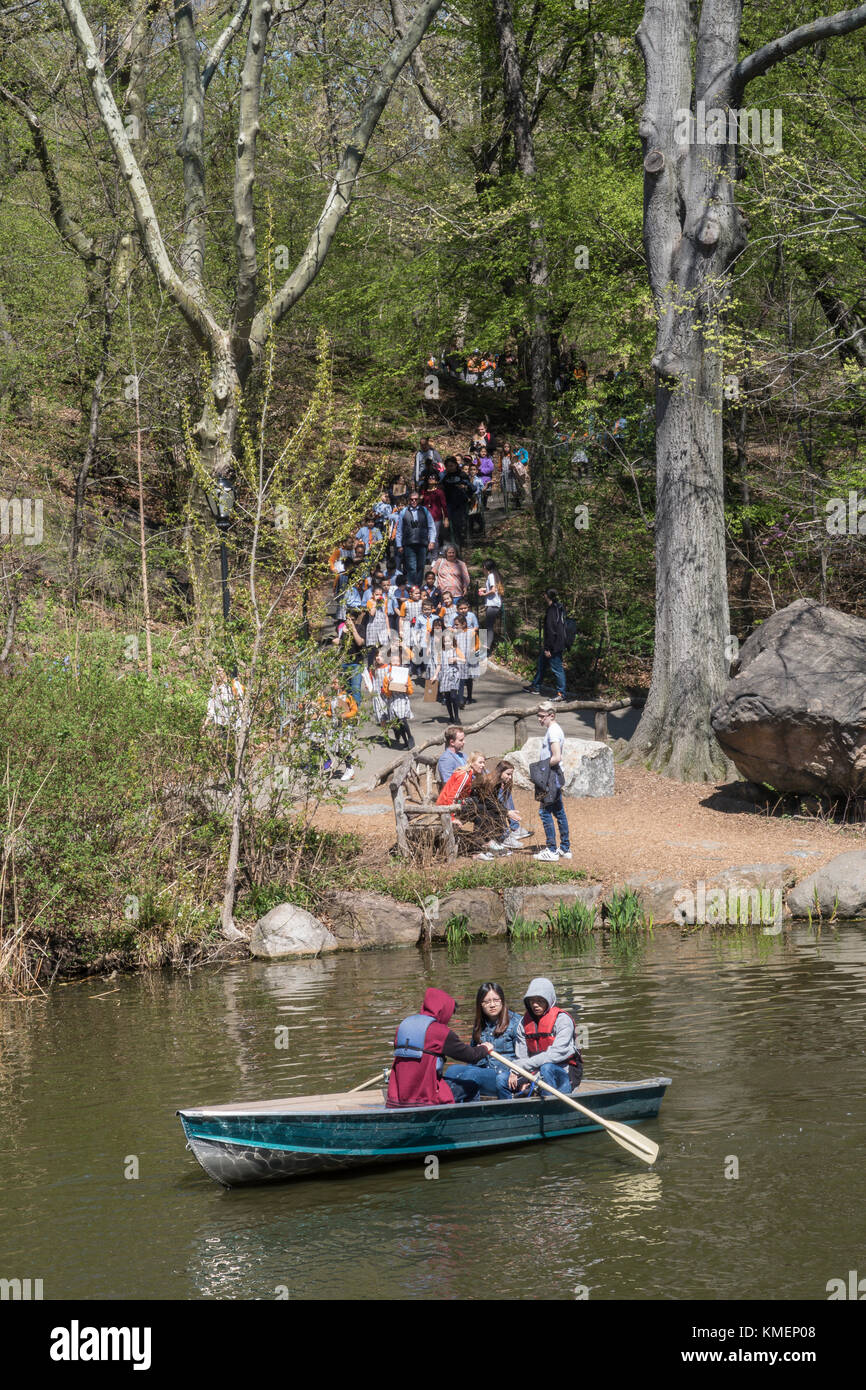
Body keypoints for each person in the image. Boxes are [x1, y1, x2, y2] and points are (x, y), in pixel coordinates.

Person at [386, 988, 492, 1108]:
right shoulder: (440, 1032)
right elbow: (471, 1056)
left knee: (451, 1078)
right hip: (426, 1095)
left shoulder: (403, 1026)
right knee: (472, 1086)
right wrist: (484, 1048)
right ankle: (466, 1123)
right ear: (443, 1010)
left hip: (398, 1096)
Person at [443, 983, 521, 1102]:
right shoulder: (480, 1023)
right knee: (452, 1071)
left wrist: (517, 1073)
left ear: (502, 1001)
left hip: (504, 1075)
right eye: (487, 1002)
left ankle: (446, 1105)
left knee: (472, 1076)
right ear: (481, 1004)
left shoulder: (516, 1023)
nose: (492, 1005)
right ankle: (451, 1104)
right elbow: (473, 1055)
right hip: (483, 1070)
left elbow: (525, 1054)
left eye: (496, 1000)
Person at [507, 977, 583, 1097]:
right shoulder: (523, 1023)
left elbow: (555, 1054)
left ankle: (549, 1105)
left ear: (549, 1000)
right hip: (535, 1071)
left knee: (547, 1068)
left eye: (540, 1000)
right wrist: (520, 1073)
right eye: (532, 1001)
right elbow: (522, 1056)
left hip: (565, 1071)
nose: (535, 1005)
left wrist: (522, 1067)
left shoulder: (562, 1020)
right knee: (501, 1080)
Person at [533, 700, 571, 861]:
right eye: (538, 716)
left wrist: (540, 767)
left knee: (544, 812)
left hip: (550, 776)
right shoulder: (553, 730)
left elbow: (556, 757)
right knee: (559, 811)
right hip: (554, 776)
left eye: (542, 716)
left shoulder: (553, 732)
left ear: (551, 715)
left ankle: (552, 849)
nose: (539, 719)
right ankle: (565, 848)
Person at [528, 588, 566, 698]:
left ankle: (561, 693)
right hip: (556, 643)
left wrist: (548, 648)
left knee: (557, 669)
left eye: (544, 594)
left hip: (554, 645)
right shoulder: (558, 607)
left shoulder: (552, 611)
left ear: (546, 596)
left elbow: (551, 630)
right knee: (542, 664)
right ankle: (535, 686)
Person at [395, 489, 436, 588]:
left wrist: (432, 541)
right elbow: (399, 529)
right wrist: (399, 544)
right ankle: (411, 587)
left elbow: (431, 526)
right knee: (411, 567)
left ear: (419, 500)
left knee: (421, 566)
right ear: (409, 500)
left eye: (415, 499)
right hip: (409, 544)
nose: (413, 501)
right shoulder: (404, 512)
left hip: (422, 543)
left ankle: (418, 587)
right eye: (411, 499)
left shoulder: (425, 510)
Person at [492, 759, 530, 843]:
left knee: (506, 794)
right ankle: (504, 835)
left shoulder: (504, 784)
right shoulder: (492, 784)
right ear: (500, 772)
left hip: (499, 807)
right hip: (490, 808)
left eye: (511, 774)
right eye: (508, 774)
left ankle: (514, 828)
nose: (510, 777)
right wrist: (507, 811)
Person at [440, 456, 473, 548]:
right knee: (451, 524)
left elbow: (471, 488)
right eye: (448, 466)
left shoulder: (462, 475)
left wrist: (465, 488)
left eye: (451, 466)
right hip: (449, 503)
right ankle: (454, 543)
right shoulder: (445, 477)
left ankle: (462, 540)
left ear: (455, 465)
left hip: (461, 503)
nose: (450, 468)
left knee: (460, 523)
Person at [479, 559, 504, 653]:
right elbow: (494, 588)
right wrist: (484, 589)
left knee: (489, 626)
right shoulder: (495, 575)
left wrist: (484, 594)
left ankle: (486, 647)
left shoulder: (490, 576)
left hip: (492, 605)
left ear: (485, 567)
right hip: (496, 604)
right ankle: (486, 647)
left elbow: (493, 590)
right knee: (488, 625)